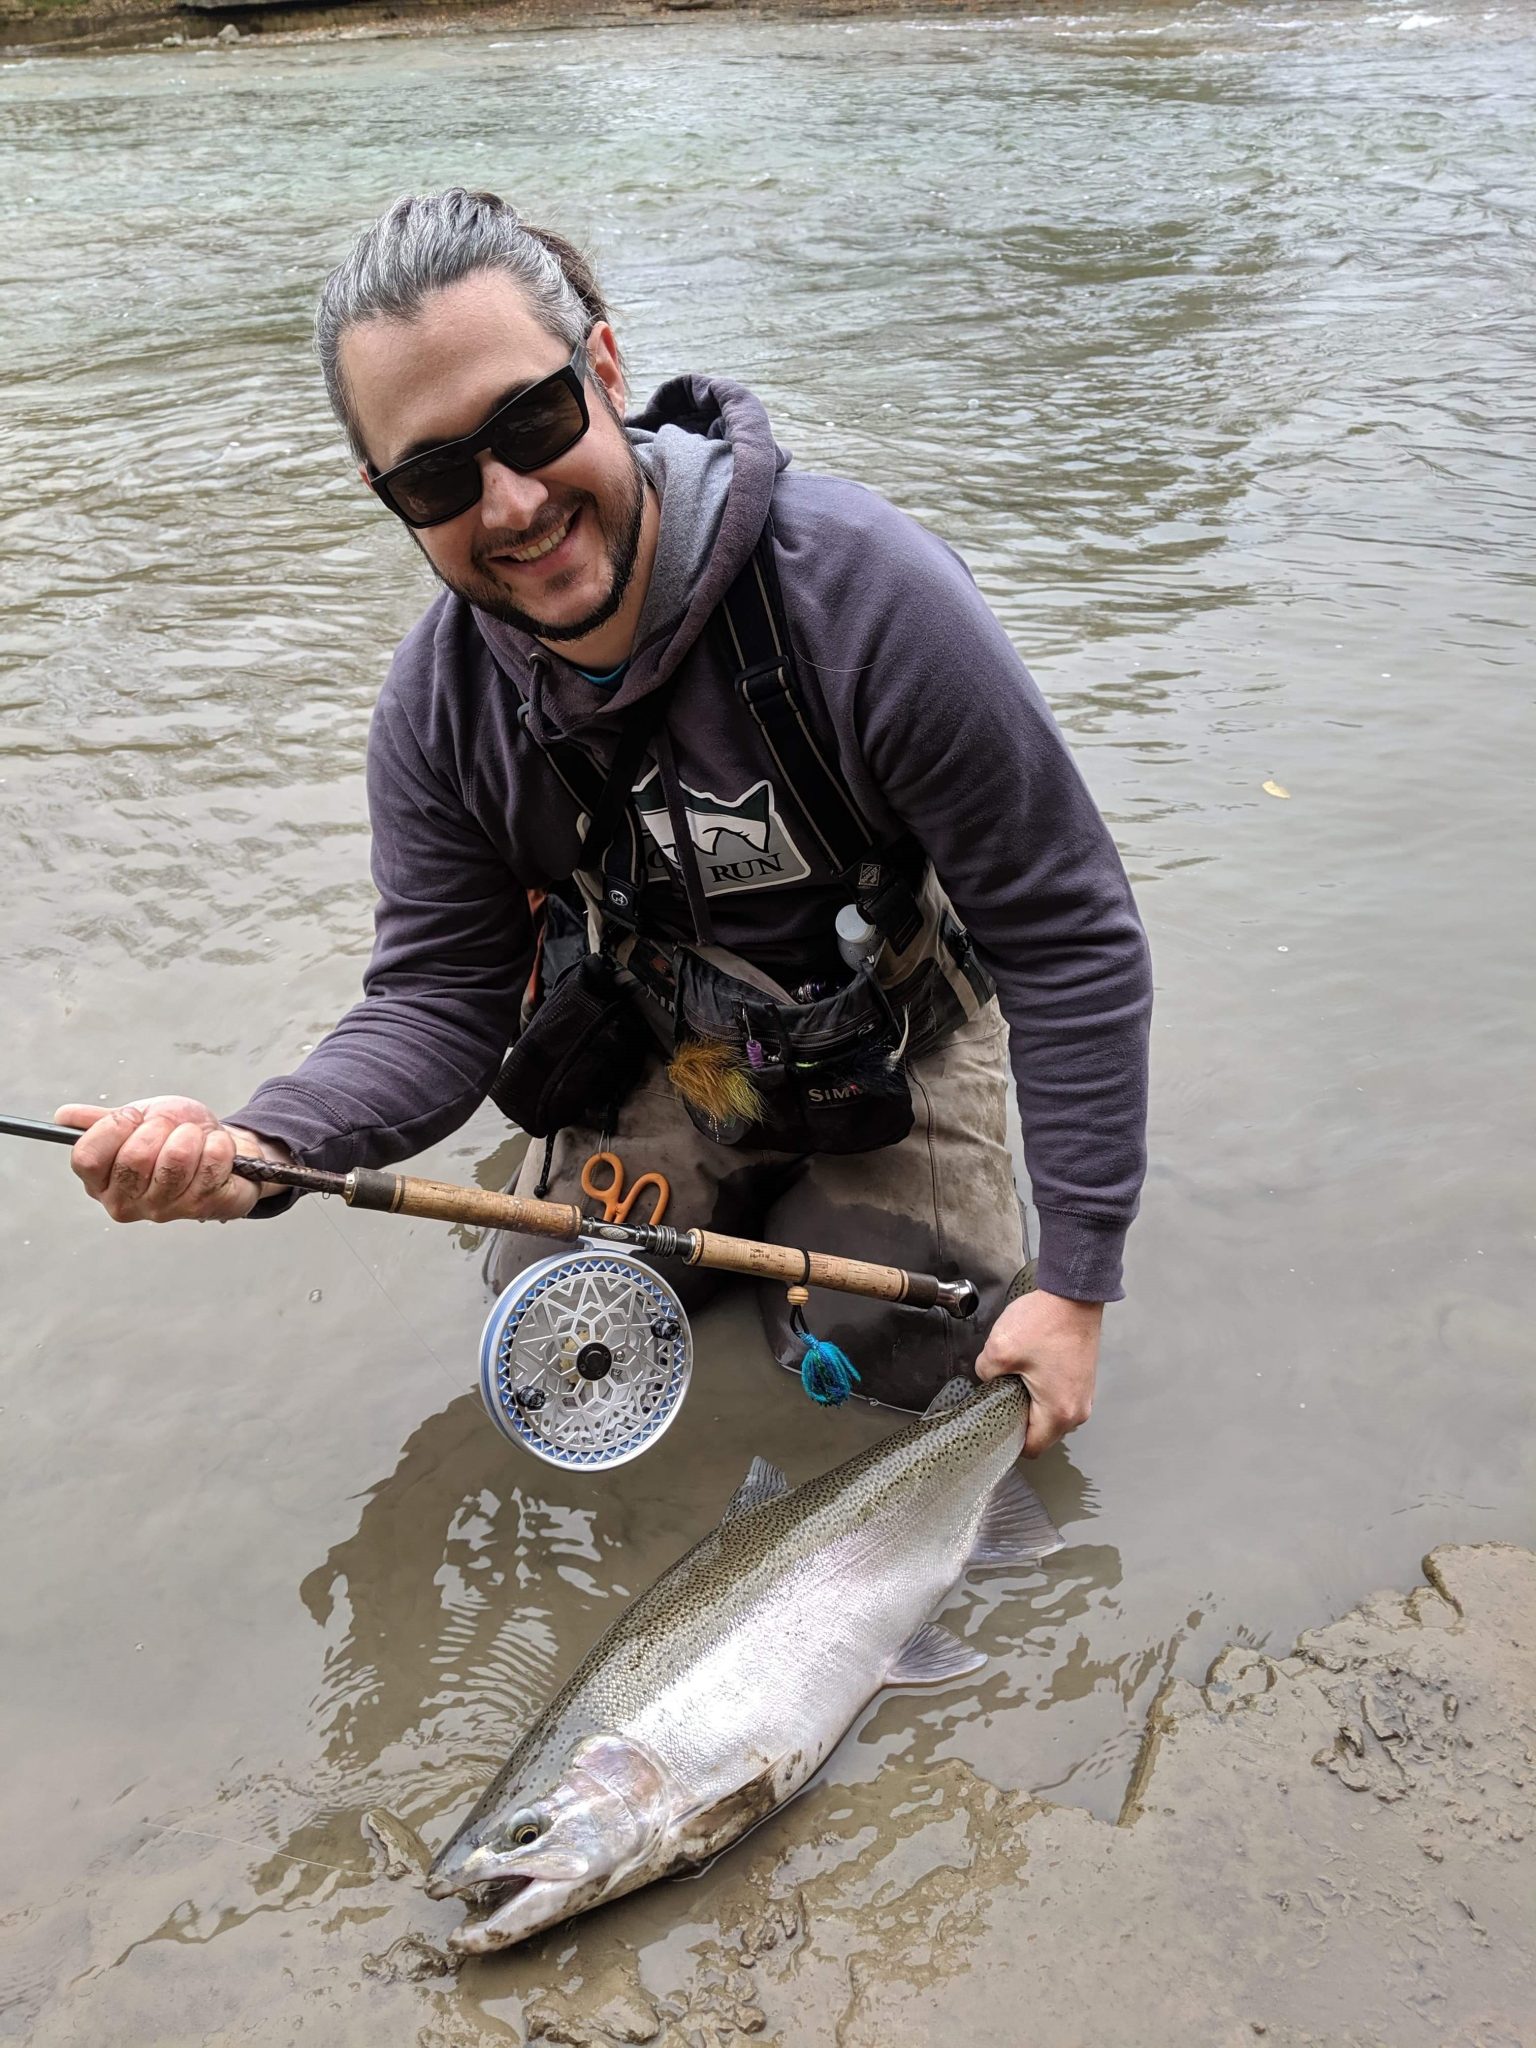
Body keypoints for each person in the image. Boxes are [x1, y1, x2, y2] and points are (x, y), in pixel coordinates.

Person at [58, 190, 1151, 1456]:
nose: (511, 502)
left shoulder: (868, 596)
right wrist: (260, 1141)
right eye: (435, 474)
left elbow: (1065, 935)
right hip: (674, 1054)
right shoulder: (436, 710)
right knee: (556, 1349)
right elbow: (439, 999)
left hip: (899, 1046)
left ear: (607, 370)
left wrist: (1080, 1280)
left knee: (905, 1378)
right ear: (386, 494)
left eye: (531, 419)